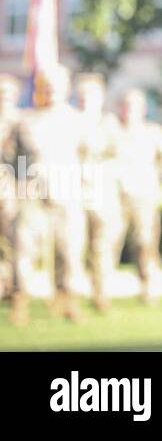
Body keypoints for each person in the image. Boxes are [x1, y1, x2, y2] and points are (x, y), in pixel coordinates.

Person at [9, 64, 90, 324]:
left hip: (68, 194)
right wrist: (19, 186)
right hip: (33, 195)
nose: (53, 89)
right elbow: (16, 159)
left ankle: (68, 300)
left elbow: (87, 158)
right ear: (40, 87)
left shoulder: (78, 121)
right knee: (24, 249)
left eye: (58, 84)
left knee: (70, 250)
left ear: (66, 88)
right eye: (48, 84)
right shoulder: (27, 120)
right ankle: (20, 300)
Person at [114, 88, 162, 305]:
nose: (131, 110)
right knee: (109, 243)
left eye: (136, 106)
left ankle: (148, 286)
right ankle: (103, 290)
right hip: (114, 197)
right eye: (127, 105)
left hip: (143, 196)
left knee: (145, 243)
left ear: (144, 109)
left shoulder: (153, 133)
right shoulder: (112, 132)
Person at [76, 73, 123, 314]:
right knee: (74, 247)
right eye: (82, 94)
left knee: (103, 246)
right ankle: (69, 297)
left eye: (91, 94)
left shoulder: (109, 124)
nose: (86, 99)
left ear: (101, 97)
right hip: (74, 193)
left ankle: (101, 293)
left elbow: (119, 156)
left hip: (103, 193)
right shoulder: (70, 121)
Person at [0, 74, 23, 304]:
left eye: (8, 93)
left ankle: (11, 287)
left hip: (9, 187)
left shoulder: (21, 121)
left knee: (11, 240)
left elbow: (24, 158)